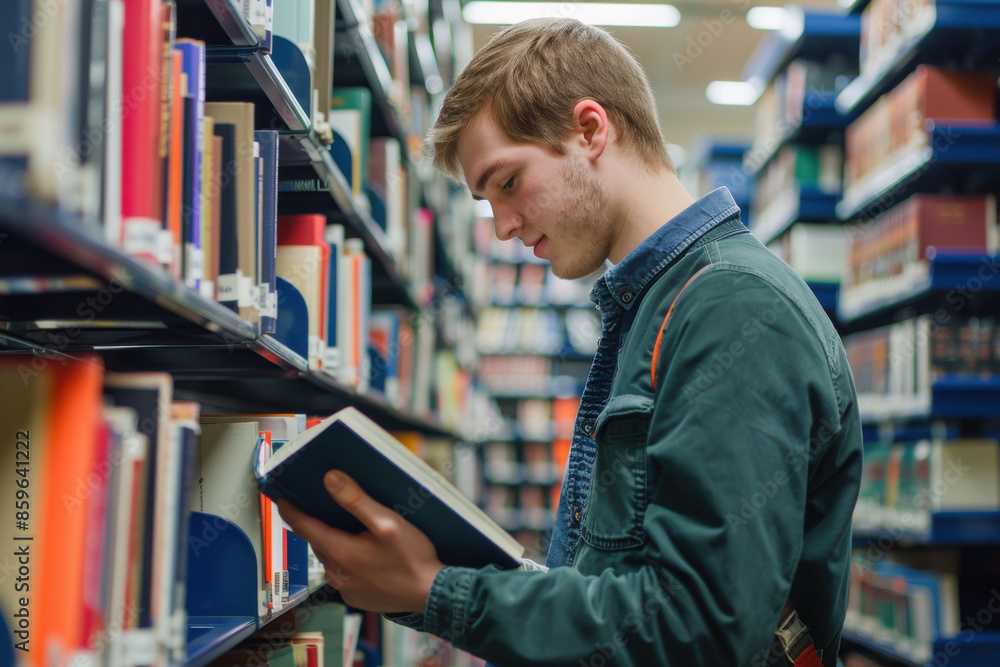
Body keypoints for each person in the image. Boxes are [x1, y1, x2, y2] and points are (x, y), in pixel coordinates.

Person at [277, 17, 863, 667]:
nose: (501, 227)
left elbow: (701, 629)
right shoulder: (656, 305)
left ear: (590, 130)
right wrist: (421, 577)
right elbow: (618, 583)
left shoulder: (733, 308)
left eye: (506, 182)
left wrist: (443, 593)